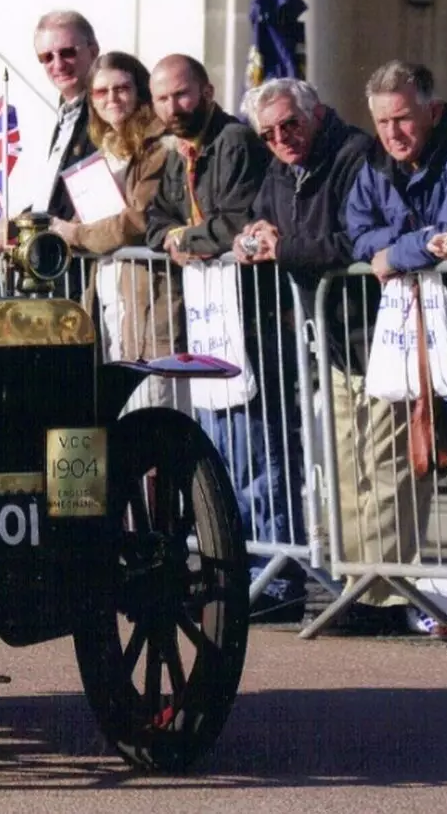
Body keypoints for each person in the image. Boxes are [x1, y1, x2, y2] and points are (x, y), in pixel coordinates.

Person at [236, 77, 420, 634]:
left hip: (382, 330)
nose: (281, 139)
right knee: (347, 469)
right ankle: (355, 588)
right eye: (268, 133)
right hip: (334, 340)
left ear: (315, 114)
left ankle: (387, 595)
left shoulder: (355, 154)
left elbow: (356, 241)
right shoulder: (279, 168)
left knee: (385, 469)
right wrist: (252, 239)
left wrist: (283, 247)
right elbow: (260, 222)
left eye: (290, 124)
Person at [144, 54, 305, 618]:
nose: (173, 107)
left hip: (252, 319)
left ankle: (278, 581)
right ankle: (242, 572)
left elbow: (238, 217)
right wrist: (177, 237)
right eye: (162, 98)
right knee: (225, 450)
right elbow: (155, 220)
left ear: (208, 91)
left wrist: (189, 238)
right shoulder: (174, 152)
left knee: (259, 450)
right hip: (212, 318)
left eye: (182, 95)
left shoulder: (235, 141)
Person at [344, 61, 447, 641]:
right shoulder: (375, 162)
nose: (393, 133)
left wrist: (397, 254)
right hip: (420, 332)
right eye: (383, 121)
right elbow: (358, 231)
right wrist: (411, 248)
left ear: (433, 111)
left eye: (404, 119)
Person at [45, 52, 181, 409]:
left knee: (153, 405)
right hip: (108, 291)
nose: (112, 99)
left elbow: (137, 221)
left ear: (140, 91)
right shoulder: (104, 150)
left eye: (122, 88)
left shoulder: (160, 145)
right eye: (101, 92)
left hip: (150, 292)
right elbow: (85, 216)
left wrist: (76, 235)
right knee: (118, 406)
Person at [0, 10, 99, 263]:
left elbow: (90, 204)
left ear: (93, 50)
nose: (58, 64)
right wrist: (13, 223)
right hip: (56, 264)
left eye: (68, 52)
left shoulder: (104, 113)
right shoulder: (67, 113)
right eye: (46, 57)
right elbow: (56, 196)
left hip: (84, 265)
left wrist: (12, 233)